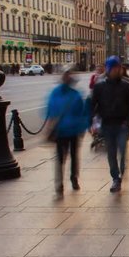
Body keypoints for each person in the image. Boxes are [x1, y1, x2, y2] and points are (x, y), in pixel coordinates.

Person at [91, 56, 129, 192]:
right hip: (107, 125)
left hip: (122, 124)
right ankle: (115, 177)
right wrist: (92, 121)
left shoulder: (127, 86)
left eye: (117, 68)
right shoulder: (100, 86)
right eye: (113, 68)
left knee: (122, 150)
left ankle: (122, 169)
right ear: (108, 69)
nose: (115, 70)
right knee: (111, 153)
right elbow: (93, 104)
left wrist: (128, 121)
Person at [46, 67, 90, 195]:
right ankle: (69, 180)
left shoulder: (58, 93)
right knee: (70, 156)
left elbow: (50, 112)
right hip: (68, 130)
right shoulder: (75, 94)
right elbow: (83, 113)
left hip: (66, 130)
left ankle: (63, 182)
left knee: (63, 158)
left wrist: (50, 126)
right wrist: (83, 127)